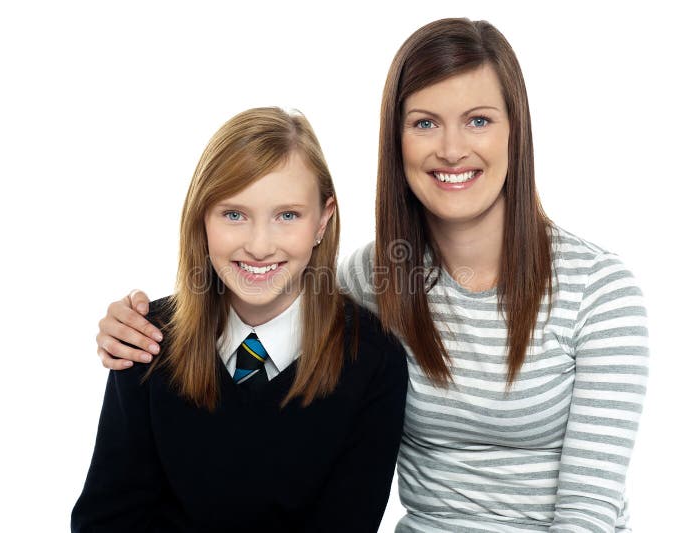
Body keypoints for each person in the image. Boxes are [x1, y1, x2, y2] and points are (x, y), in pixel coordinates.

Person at [95, 19, 649, 533]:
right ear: (397, 139)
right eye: (425, 123)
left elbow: (588, 511)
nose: (452, 149)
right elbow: (264, 296)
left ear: (515, 132)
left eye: (479, 120)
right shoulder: (369, 278)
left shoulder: (599, 292)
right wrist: (134, 326)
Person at [72, 107, 409, 533]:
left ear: (323, 220)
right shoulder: (146, 339)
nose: (259, 245)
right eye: (234, 214)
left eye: (288, 215)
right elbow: (106, 520)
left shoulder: (372, 361)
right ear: (202, 218)